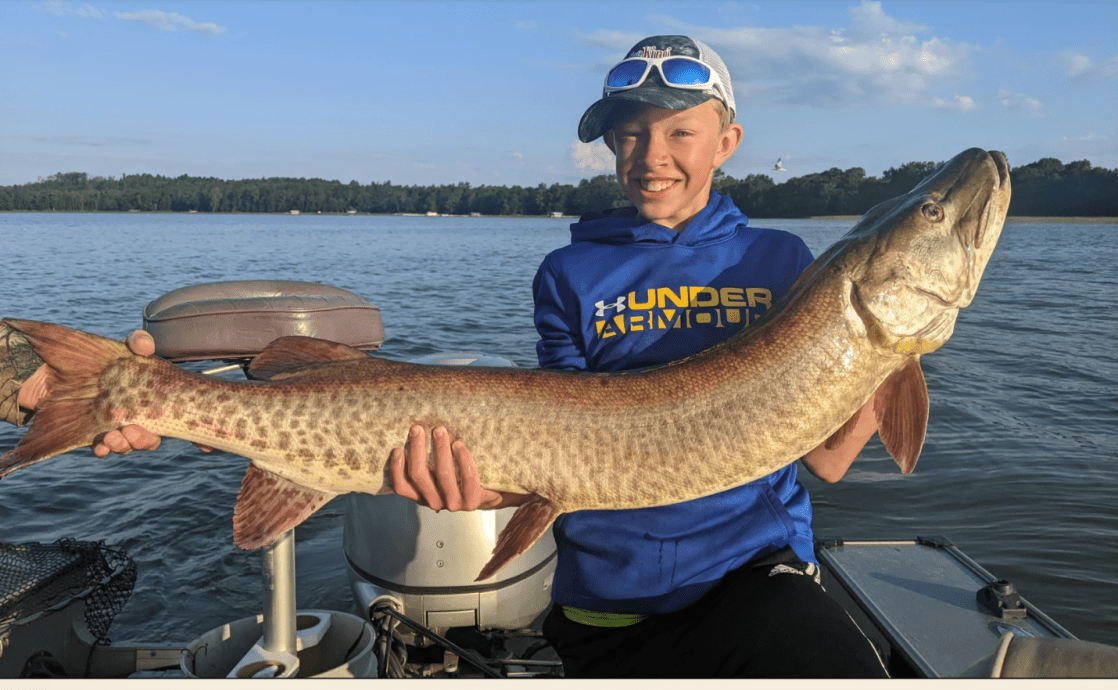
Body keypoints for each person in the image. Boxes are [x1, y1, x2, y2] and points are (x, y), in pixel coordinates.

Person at [5, 34, 888, 677]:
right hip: (605, 604)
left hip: (756, 577)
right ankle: (129, 394)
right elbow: (558, 439)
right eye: (629, 134)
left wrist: (883, 356)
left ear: (727, 141)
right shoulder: (570, 269)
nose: (651, 155)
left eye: (679, 133)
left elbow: (830, 455)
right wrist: (478, 479)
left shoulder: (779, 261)